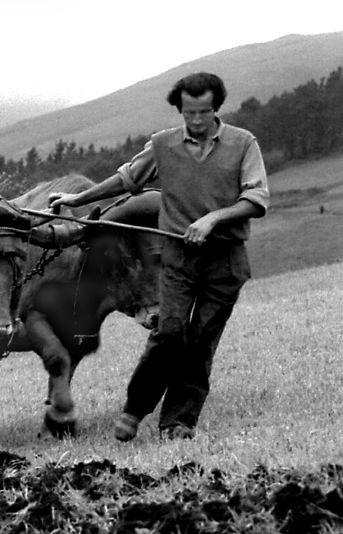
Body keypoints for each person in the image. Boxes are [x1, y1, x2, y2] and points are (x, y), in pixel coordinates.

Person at [48, 71, 270, 441]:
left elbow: (257, 199)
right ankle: (135, 409)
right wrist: (79, 200)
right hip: (179, 257)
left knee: (200, 342)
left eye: (204, 112)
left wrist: (213, 219)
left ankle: (178, 422)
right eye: (189, 113)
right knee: (169, 333)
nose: (197, 121)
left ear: (216, 108)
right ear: (179, 110)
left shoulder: (243, 144)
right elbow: (128, 179)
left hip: (226, 258)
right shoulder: (163, 145)